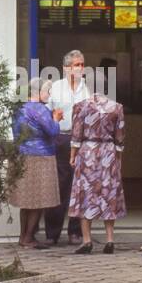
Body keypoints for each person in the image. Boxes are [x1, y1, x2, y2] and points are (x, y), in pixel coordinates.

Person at [68, 92, 126, 254]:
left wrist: (72, 155)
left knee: (86, 194)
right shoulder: (117, 107)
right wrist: (118, 158)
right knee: (108, 194)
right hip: (108, 151)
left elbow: (76, 135)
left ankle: (87, 240)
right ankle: (109, 239)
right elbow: (120, 137)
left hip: (88, 152)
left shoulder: (81, 106)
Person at [45, 49, 90, 245]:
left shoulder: (85, 88)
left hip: (81, 140)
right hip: (61, 139)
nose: (81, 68)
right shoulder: (56, 87)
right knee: (59, 186)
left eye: (82, 65)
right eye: (77, 65)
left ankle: (74, 232)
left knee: (77, 187)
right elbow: (45, 114)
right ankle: (52, 233)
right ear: (66, 68)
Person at [10, 78, 61, 249]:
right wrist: (56, 118)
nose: (49, 95)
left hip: (21, 157)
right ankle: (29, 238)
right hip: (40, 158)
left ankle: (22, 236)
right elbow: (52, 131)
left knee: (26, 201)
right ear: (38, 92)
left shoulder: (19, 109)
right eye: (47, 91)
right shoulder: (40, 109)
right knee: (38, 201)